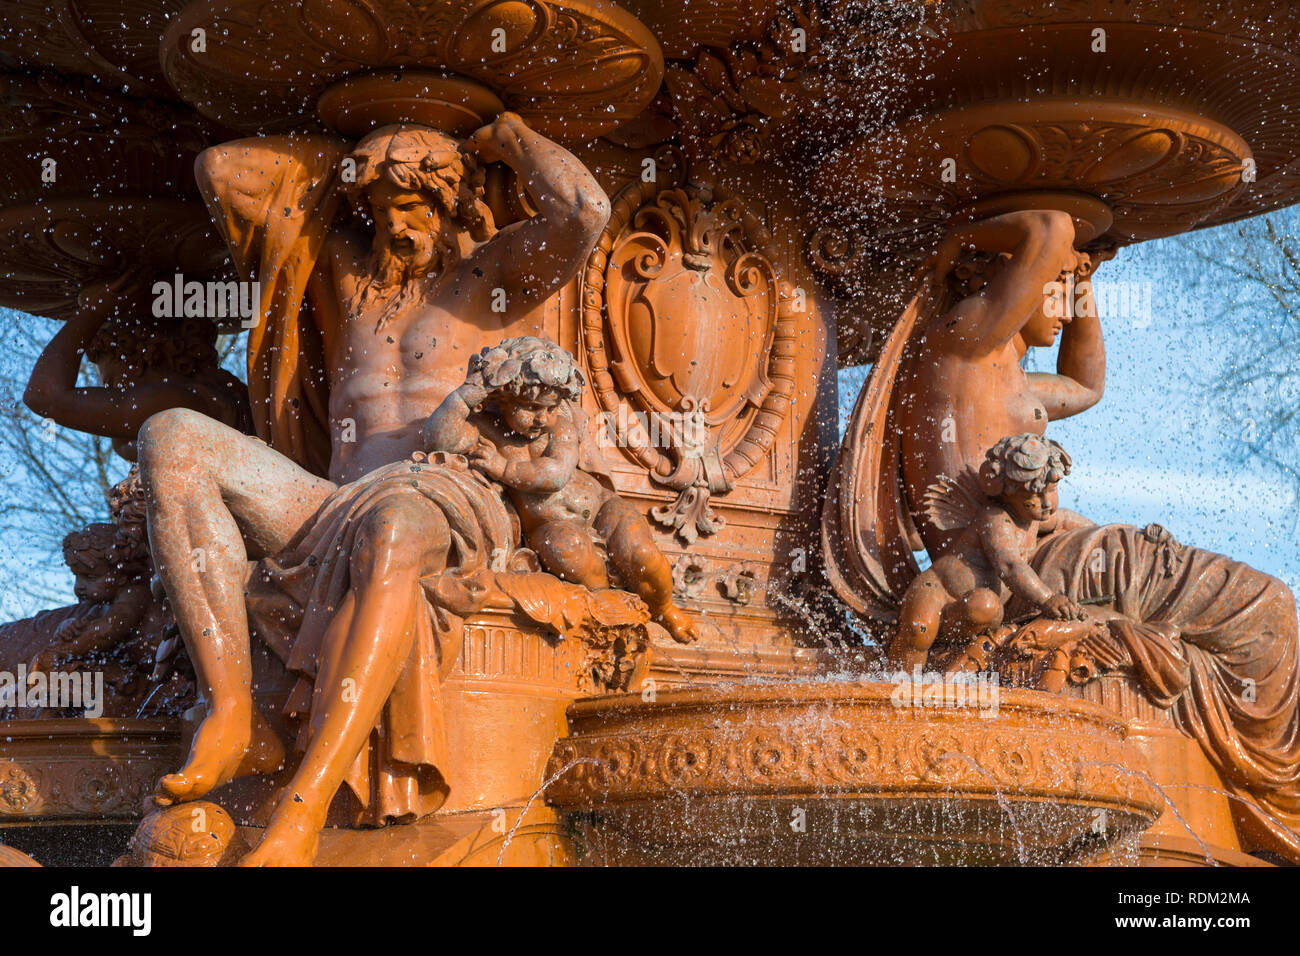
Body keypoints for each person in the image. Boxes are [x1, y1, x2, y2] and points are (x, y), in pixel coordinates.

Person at [423, 336, 698, 645]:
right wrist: (468, 393)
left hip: (601, 508)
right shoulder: (486, 431)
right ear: (503, 397)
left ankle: (663, 608)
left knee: (640, 550)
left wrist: (502, 469)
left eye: (550, 407)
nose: (541, 417)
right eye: (529, 407)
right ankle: (610, 597)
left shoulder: (559, 426)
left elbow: (556, 474)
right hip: (547, 527)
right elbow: (438, 440)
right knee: (569, 554)